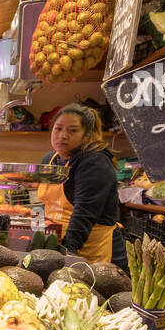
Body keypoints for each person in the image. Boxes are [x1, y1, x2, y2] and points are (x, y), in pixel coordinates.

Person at [37, 105, 121, 263]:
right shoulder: (49, 159)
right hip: (54, 244)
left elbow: (84, 212)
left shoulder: (94, 161)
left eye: (72, 131)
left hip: (86, 249)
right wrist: (36, 233)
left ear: (87, 135)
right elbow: (42, 203)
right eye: (58, 129)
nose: (62, 136)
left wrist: (68, 252)